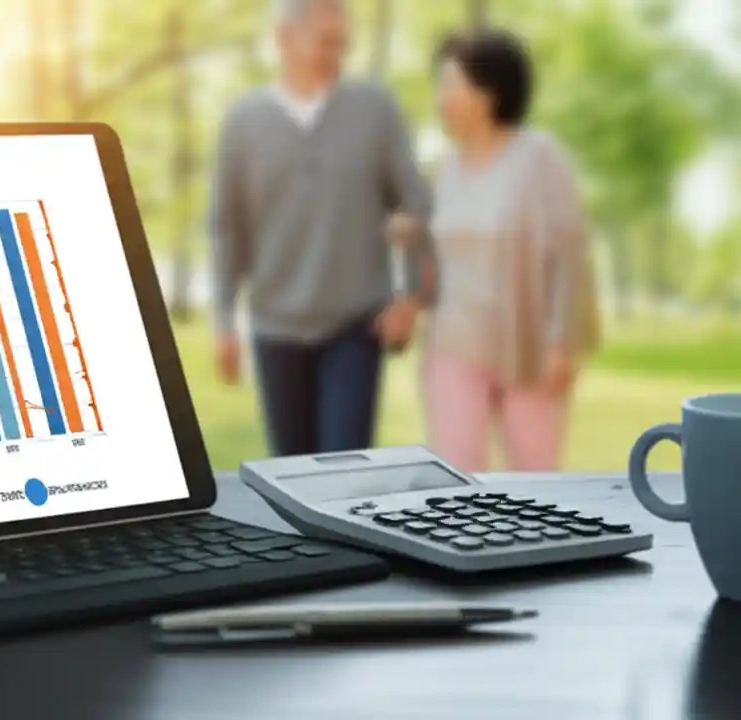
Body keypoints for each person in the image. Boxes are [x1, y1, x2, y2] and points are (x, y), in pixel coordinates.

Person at [208, 0, 431, 455]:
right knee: (291, 475)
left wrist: (410, 298)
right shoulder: (243, 123)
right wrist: (224, 321)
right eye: (326, 42)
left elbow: (419, 205)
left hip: (354, 324)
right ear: (285, 39)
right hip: (275, 326)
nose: (337, 54)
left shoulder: (375, 110)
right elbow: (226, 229)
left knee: (344, 471)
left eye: (343, 43)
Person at [422, 30, 600, 472]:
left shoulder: (538, 157)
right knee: (455, 477)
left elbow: (570, 255)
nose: (441, 98)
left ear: (487, 90)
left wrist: (564, 343)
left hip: (529, 349)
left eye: (450, 84)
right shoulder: (445, 169)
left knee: (534, 478)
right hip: (454, 345)